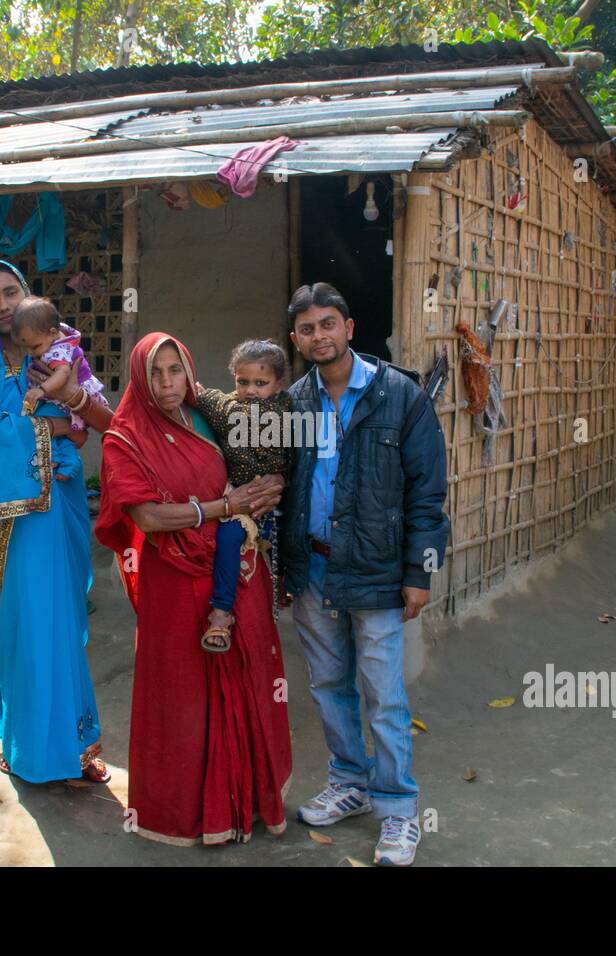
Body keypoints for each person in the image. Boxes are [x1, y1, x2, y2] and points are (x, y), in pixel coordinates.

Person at [95, 332, 292, 846]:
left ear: (189, 371)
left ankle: (243, 804)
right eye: (155, 373)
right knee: (183, 696)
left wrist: (270, 490)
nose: (166, 383)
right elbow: (149, 517)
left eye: (175, 370)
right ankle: (183, 812)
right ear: (140, 376)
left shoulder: (208, 417)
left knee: (248, 682)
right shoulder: (125, 436)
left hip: (237, 571)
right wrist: (226, 507)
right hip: (175, 582)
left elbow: (261, 465)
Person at [280, 281, 449, 866]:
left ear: (349, 328)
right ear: (297, 338)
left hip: (377, 571)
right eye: (306, 328)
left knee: (384, 693)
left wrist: (420, 571)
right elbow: (285, 489)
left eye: (328, 323)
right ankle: (349, 784)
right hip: (316, 570)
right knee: (329, 687)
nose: (318, 335)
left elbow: (428, 494)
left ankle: (399, 810)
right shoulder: (294, 401)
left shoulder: (400, 397)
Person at [0, 260, 113, 784]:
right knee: (29, 625)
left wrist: (73, 419)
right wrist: (57, 429)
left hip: (59, 499)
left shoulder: (55, 345)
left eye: (10, 292)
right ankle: (30, 750)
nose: (1, 304)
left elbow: (97, 409)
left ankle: (76, 744)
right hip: (15, 514)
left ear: (25, 292)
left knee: (63, 622)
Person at [192, 339, 292, 652]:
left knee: (287, 547)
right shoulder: (232, 403)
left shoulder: (280, 409)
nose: (250, 390)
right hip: (239, 502)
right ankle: (222, 613)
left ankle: (285, 587)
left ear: (278, 384)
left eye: (261, 383)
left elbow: (229, 415)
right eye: (242, 381)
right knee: (229, 537)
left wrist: (203, 396)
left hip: (274, 502)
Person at [10, 295, 110, 431]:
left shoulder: (58, 351)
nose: (30, 353)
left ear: (53, 333)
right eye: (26, 348)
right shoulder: (49, 335)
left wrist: (41, 390)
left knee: (33, 423)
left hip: (72, 397)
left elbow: (63, 374)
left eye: (34, 347)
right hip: (66, 397)